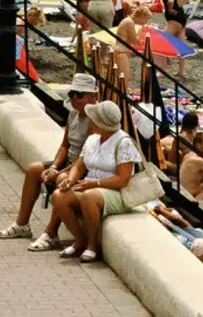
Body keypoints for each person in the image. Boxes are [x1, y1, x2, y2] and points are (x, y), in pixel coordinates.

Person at [0, 73, 98, 250]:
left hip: (84, 168)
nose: (74, 98)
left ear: (93, 96)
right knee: (34, 169)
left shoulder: (95, 119)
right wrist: (56, 166)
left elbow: (86, 157)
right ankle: (22, 224)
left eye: (79, 94)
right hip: (68, 163)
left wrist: (59, 172)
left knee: (60, 180)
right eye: (71, 93)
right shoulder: (73, 114)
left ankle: (51, 232)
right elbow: (65, 146)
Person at [51, 100, 139, 262]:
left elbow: (123, 179)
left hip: (115, 191)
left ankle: (93, 244)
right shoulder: (92, 139)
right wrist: (70, 180)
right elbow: (79, 165)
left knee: (88, 196)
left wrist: (96, 184)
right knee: (59, 196)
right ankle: (80, 239)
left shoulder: (123, 142)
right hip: (91, 186)